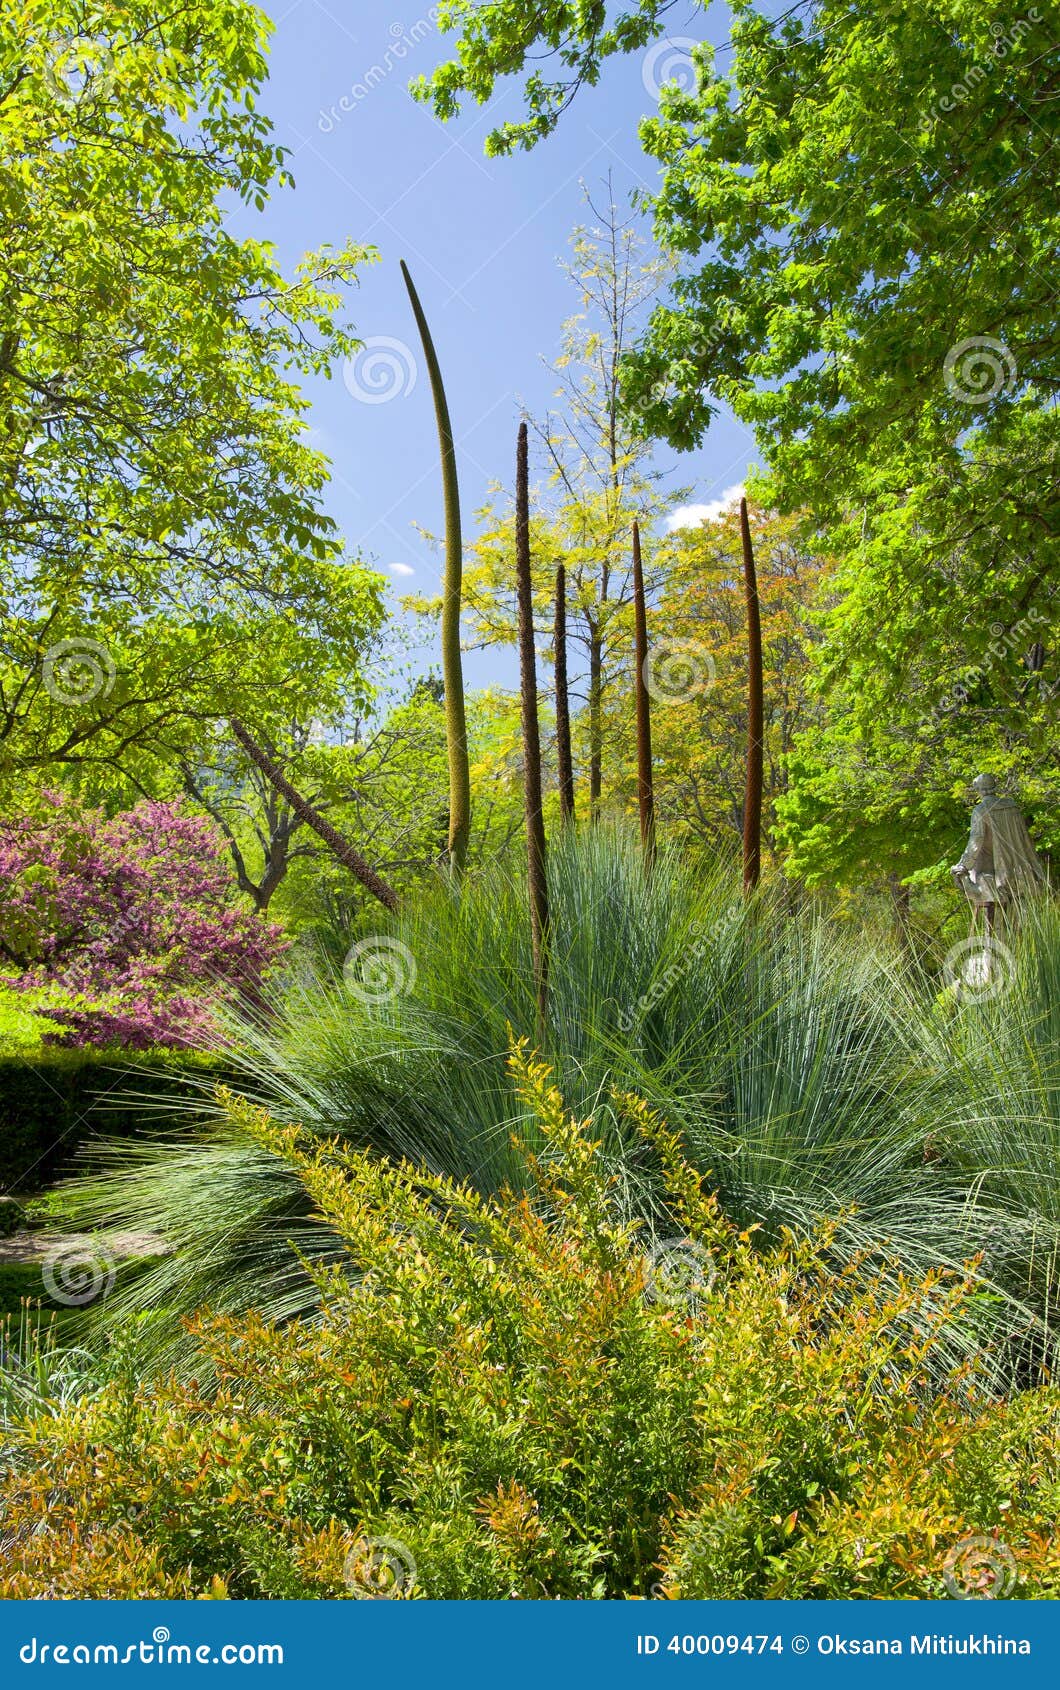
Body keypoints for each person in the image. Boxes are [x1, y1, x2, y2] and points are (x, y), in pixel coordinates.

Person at [951, 772, 1046, 927]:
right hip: (1019, 869)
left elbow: (976, 841)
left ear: (979, 790)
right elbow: (1024, 838)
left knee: (984, 894)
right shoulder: (1012, 807)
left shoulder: (980, 811)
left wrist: (963, 865)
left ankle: (992, 947)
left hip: (998, 874)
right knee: (1019, 923)